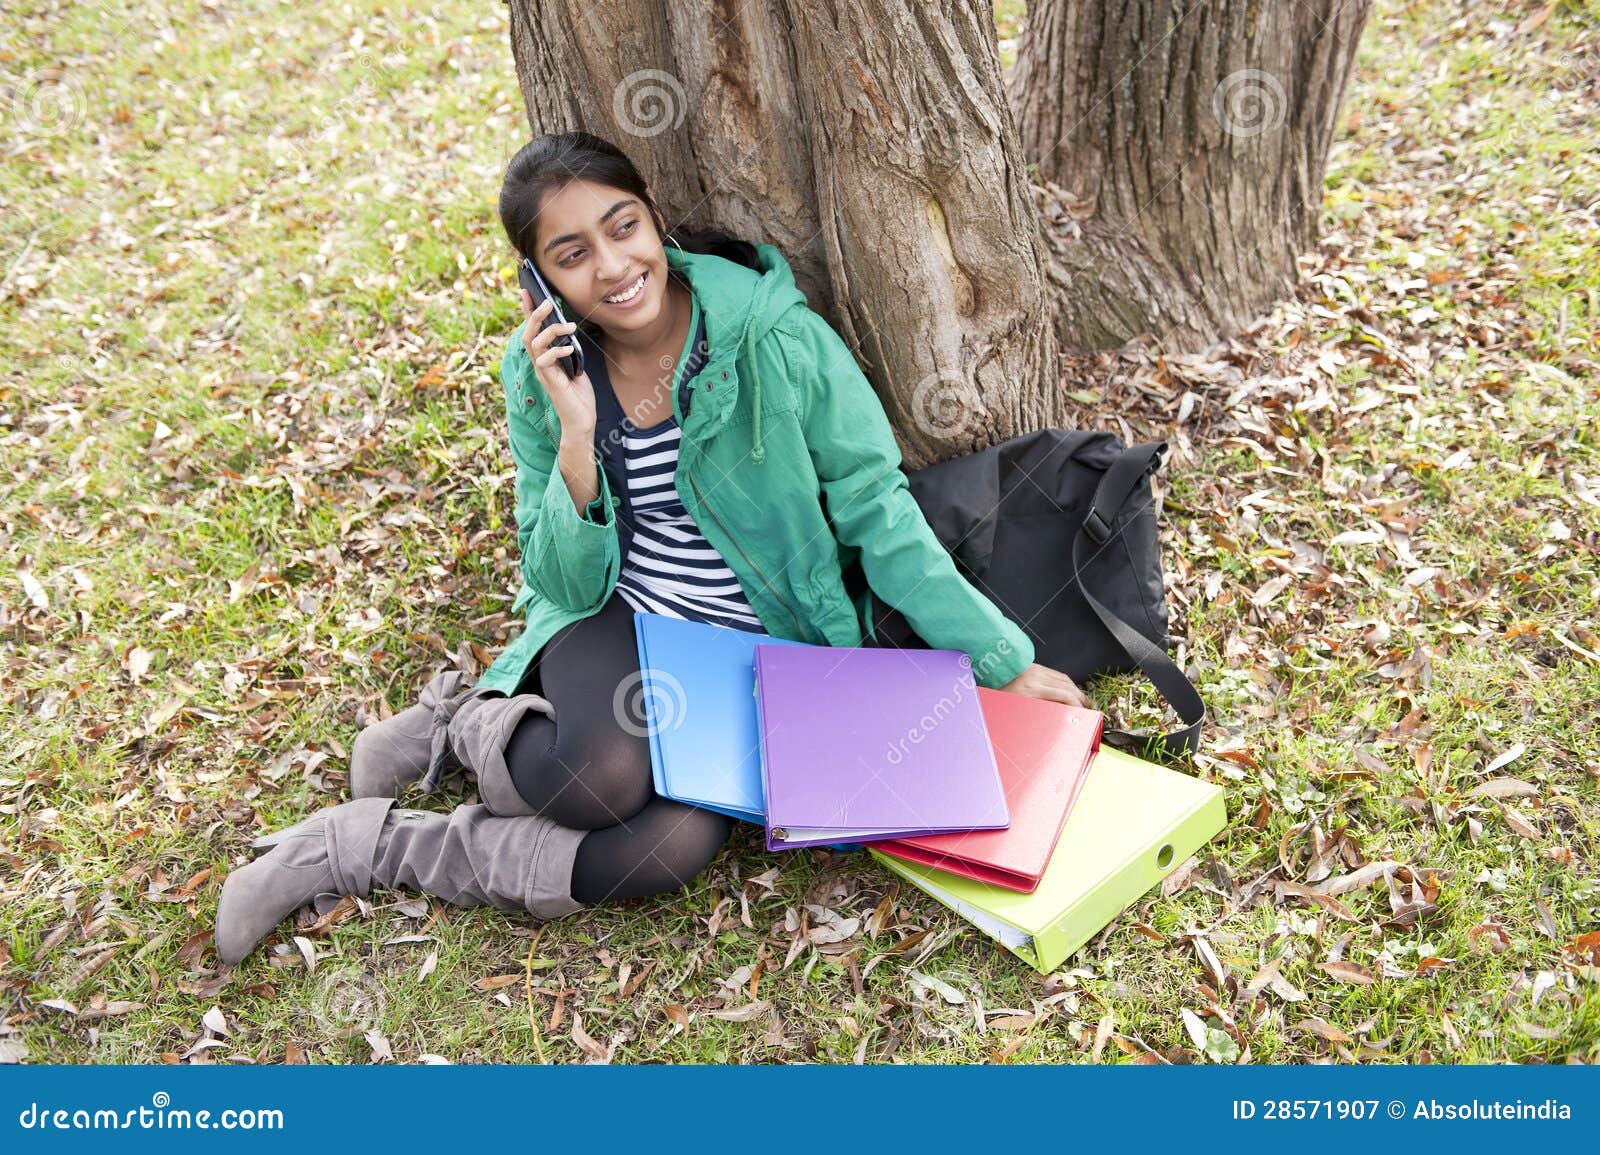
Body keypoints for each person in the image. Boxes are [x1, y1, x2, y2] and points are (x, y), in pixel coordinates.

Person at [213, 131, 1090, 965]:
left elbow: (877, 510)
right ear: (538, 277)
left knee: (668, 846)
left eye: (622, 227)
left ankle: (378, 834)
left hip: (757, 648)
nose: (613, 266)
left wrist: (998, 659)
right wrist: (574, 440)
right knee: (596, 779)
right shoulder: (544, 373)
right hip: (616, 618)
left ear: (652, 214)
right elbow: (556, 575)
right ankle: (452, 736)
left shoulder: (772, 339)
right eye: (572, 253)